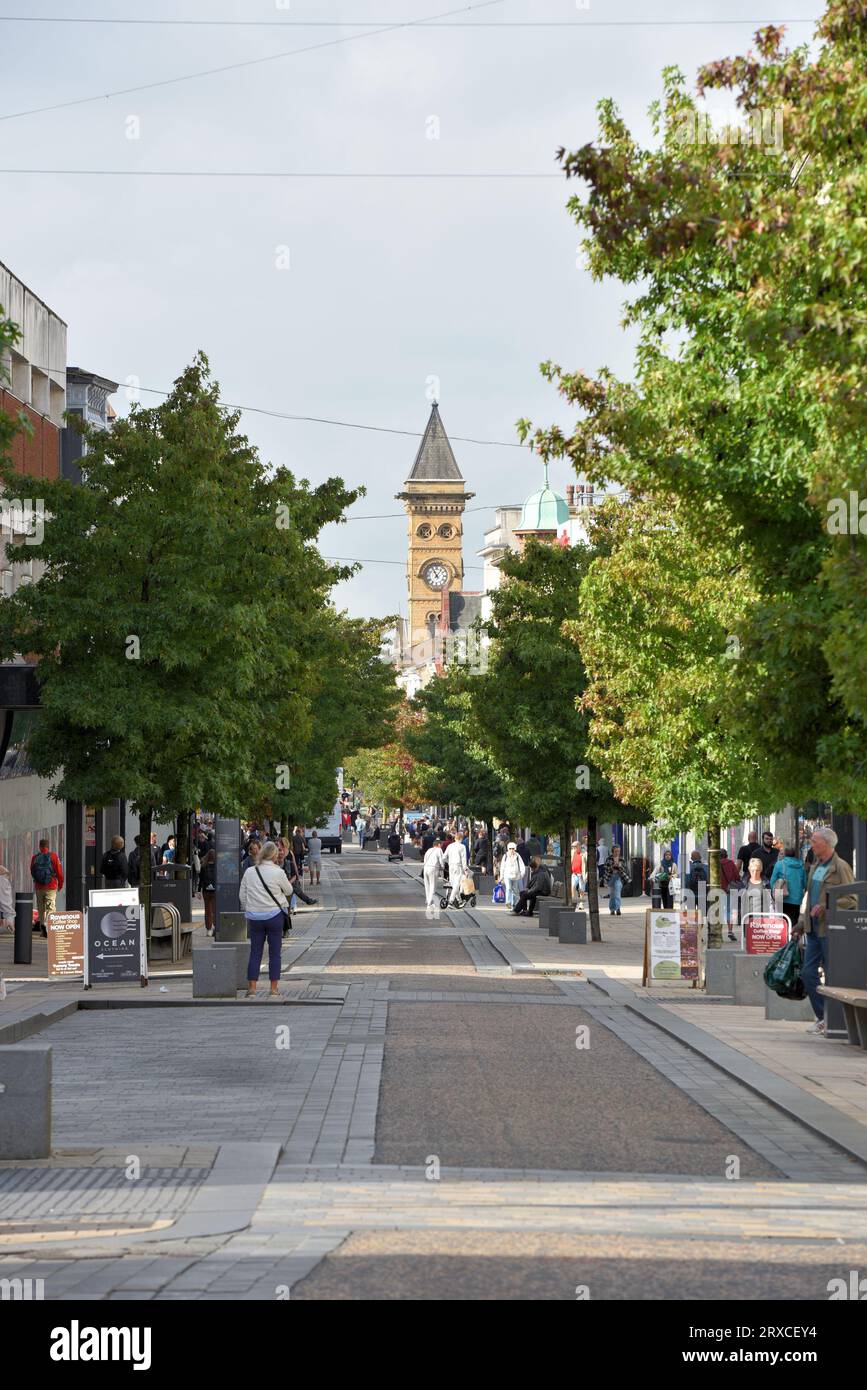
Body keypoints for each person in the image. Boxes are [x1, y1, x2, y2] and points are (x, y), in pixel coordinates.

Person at [796, 826, 856, 1035]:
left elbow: (851, 899)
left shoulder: (841, 867)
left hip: (830, 931)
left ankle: (834, 1021)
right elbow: (808, 897)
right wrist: (800, 924)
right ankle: (823, 1016)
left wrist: (827, 906)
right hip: (812, 930)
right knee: (807, 973)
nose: (811, 845)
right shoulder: (815, 866)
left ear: (827, 844)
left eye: (815, 841)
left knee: (832, 975)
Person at [239, 840, 292, 999]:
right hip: (274, 916)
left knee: (255, 952)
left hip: (255, 917)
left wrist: (250, 907)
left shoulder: (249, 871)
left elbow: (242, 895)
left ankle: (252, 989)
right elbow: (289, 890)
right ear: (275, 855)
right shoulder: (278, 872)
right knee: (275, 953)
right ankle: (274, 989)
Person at [30, 838, 64, 938]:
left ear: (40, 847)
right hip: (51, 886)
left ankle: (42, 928)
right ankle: (49, 928)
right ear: (48, 847)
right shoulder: (53, 856)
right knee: (50, 907)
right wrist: (60, 884)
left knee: (41, 908)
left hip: (39, 887)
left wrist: (38, 880)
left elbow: (32, 871)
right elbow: (59, 872)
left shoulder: (35, 857)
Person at [770, 845, 808, 931]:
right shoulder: (801, 866)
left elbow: (772, 881)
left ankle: (785, 941)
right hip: (797, 899)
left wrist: (774, 893)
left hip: (782, 898)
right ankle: (792, 941)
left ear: (785, 853)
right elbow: (805, 883)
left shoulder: (779, 864)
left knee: (783, 923)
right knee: (794, 922)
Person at [719, 845, 741, 941]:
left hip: (717, 890)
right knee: (729, 910)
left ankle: (717, 932)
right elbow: (737, 876)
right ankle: (730, 931)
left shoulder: (715, 864)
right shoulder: (731, 863)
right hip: (729, 890)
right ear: (726, 855)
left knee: (717, 911)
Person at [602, 844, 631, 916]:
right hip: (610, 877)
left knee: (617, 893)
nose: (617, 853)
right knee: (612, 894)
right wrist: (613, 866)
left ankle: (617, 908)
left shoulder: (622, 859)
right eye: (616, 851)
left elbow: (625, 869)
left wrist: (619, 867)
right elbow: (606, 868)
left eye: (618, 851)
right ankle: (612, 909)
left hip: (619, 877)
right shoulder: (608, 859)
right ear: (612, 852)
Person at [423, 837, 445, 917]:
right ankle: (429, 903)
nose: (442, 846)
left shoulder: (429, 850)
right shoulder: (439, 850)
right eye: (441, 845)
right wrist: (442, 867)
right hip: (433, 868)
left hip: (426, 868)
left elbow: (425, 859)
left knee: (427, 885)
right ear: (438, 844)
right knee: (433, 885)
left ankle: (428, 900)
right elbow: (441, 860)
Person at [443, 833, 468, 905]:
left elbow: (444, 857)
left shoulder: (450, 846)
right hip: (458, 866)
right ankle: (451, 901)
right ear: (461, 838)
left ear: (455, 838)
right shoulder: (462, 846)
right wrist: (465, 869)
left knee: (454, 884)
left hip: (451, 866)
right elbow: (464, 859)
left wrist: (449, 862)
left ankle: (459, 900)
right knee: (456, 884)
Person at [500, 842, 526, 908]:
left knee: (515, 890)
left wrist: (522, 873)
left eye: (513, 848)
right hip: (507, 875)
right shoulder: (505, 856)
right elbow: (502, 866)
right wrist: (501, 876)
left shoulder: (517, 856)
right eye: (510, 848)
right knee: (508, 888)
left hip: (516, 876)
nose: (512, 850)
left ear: (515, 849)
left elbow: (521, 865)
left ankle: (514, 903)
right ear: (508, 849)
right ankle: (508, 902)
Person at [199, 849, 217, 934]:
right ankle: (216, 927)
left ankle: (208, 929)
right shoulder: (217, 867)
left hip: (205, 890)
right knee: (215, 909)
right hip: (215, 891)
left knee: (207, 910)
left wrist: (199, 891)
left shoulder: (203, 866)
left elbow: (201, 880)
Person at [570, 839, 585, 907]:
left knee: (581, 889)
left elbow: (587, 864)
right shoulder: (572, 852)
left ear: (579, 846)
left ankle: (581, 903)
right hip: (574, 874)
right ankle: (574, 901)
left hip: (581, 874)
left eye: (574, 847)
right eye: (572, 847)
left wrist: (586, 874)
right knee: (572, 888)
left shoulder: (584, 853)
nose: (573, 848)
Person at [0, 865, 14, 934]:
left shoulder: (2, 880)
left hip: (2, 876)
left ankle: (9, 924)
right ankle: (9, 924)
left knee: (5, 902)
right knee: (5, 902)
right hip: (3, 875)